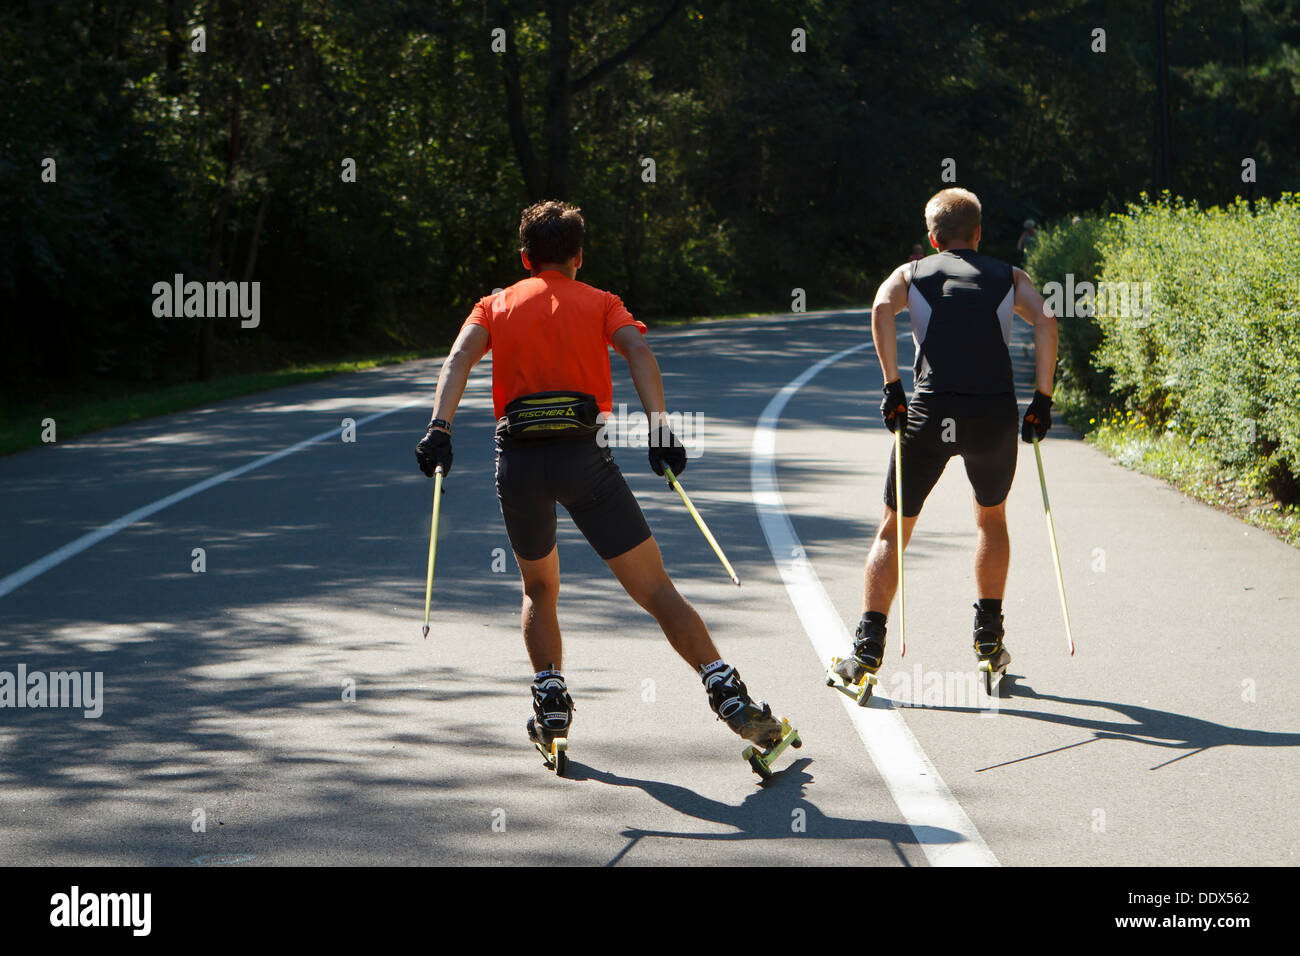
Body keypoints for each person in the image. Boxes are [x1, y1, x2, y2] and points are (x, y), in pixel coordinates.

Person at [414, 200, 789, 762]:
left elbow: (458, 359)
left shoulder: (494, 305)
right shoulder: (601, 302)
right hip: (584, 461)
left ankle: (551, 702)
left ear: (524, 257)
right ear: (579, 257)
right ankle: (727, 693)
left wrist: (439, 429)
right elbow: (637, 347)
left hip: (518, 461)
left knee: (539, 589)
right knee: (657, 591)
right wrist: (660, 428)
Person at [833, 188, 1059, 689]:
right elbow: (1045, 320)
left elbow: (879, 309)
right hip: (992, 415)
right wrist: (1042, 400)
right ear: (979, 234)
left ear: (933, 238)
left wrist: (892, 386)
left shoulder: (911, 273)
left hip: (930, 412)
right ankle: (988, 641)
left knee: (894, 528)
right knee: (991, 519)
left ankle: (867, 650)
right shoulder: (1009, 275)